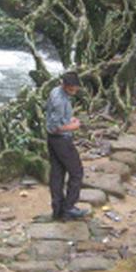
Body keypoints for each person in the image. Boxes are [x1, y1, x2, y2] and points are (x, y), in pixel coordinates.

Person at [44, 71, 87, 221]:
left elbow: (53, 117)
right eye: (73, 89)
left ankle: (58, 209)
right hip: (61, 140)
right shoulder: (60, 101)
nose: (75, 91)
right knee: (76, 172)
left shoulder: (55, 91)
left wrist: (68, 118)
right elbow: (54, 127)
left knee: (57, 173)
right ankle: (69, 208)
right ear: (66, 86)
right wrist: (73, 126)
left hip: (52, 141)